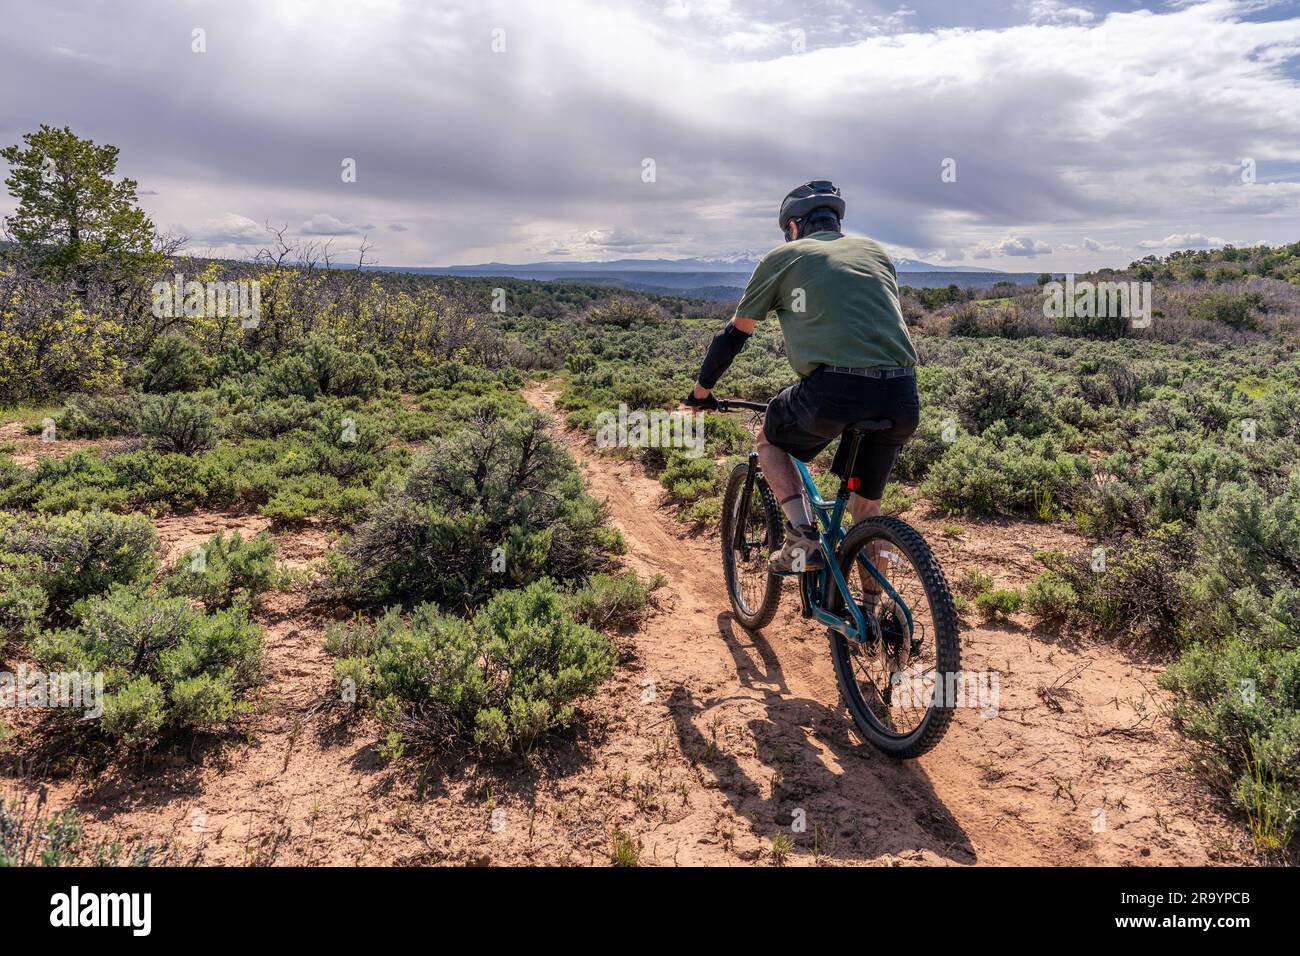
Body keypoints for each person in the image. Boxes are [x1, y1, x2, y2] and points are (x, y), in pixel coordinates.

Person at [685, 180, 920, 573]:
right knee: (867, 511)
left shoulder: (784, 256)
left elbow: (734, 335)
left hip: (835, 392)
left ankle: (803, 538)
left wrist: (701, 391)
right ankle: (874, 607)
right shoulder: (875, 252)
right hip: (902, 393)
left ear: (794, 226)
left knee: (770, 439)